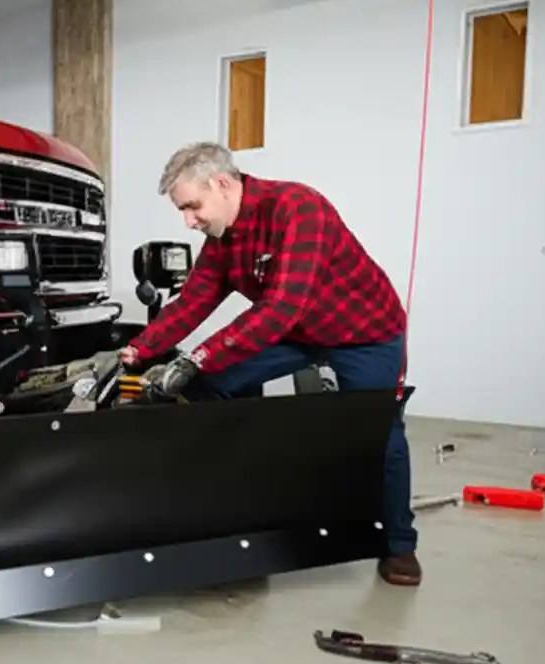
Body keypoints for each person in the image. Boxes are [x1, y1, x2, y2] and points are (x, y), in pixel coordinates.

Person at [120, 141, 421, 586]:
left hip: (364, 333)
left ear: (222, 184)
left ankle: (398, 545)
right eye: (182, 211)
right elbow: (194, 302)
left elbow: (281, 307)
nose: (189, 221)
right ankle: (232, 511)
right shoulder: (221, 237)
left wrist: (199, 355)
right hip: (295, 332)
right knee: (208, 386)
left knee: (380, 431)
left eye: (192, 206)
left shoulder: (298, 209)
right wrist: (137, 351)